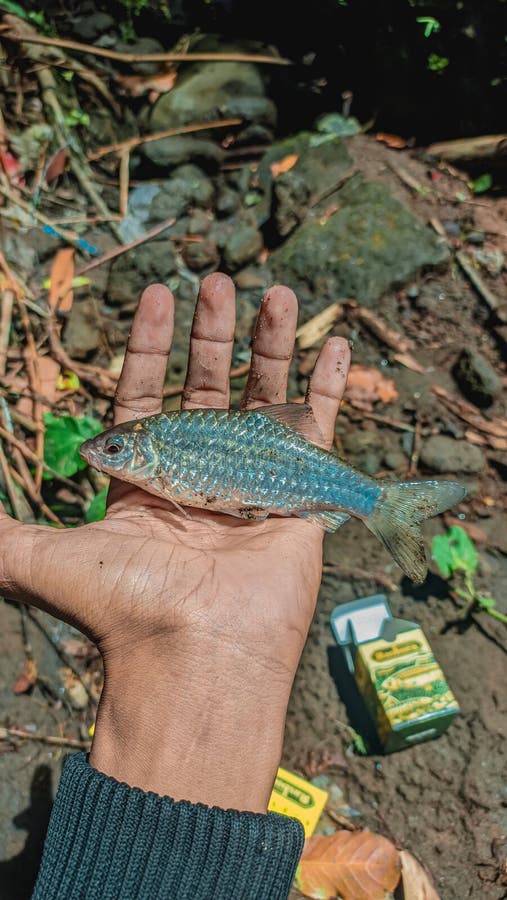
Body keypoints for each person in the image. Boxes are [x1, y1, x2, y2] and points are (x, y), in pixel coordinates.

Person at [0, 273, 351, 899]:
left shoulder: (164, 447)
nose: (100, 458)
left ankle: (378, 503)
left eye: (113, 451)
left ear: (142, 453)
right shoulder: (161, 447)